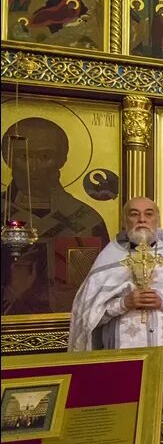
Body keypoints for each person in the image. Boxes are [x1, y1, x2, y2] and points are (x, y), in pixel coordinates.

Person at [68, 196, 163, 415]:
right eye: (134, 214)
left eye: (149, 214)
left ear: (158, 220)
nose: (142, 219)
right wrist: (123, 303)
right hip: (123, 367)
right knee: (129, 421)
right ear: (124, 221)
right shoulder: (108, 262)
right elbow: (86, 319)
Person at [1, 117, 110, 315]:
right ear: (8, 159)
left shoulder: (86, 220)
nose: (33, 167)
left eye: (45, 157)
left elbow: (100, 290)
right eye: (23, 156)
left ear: (61, 160)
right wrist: (12, 292)